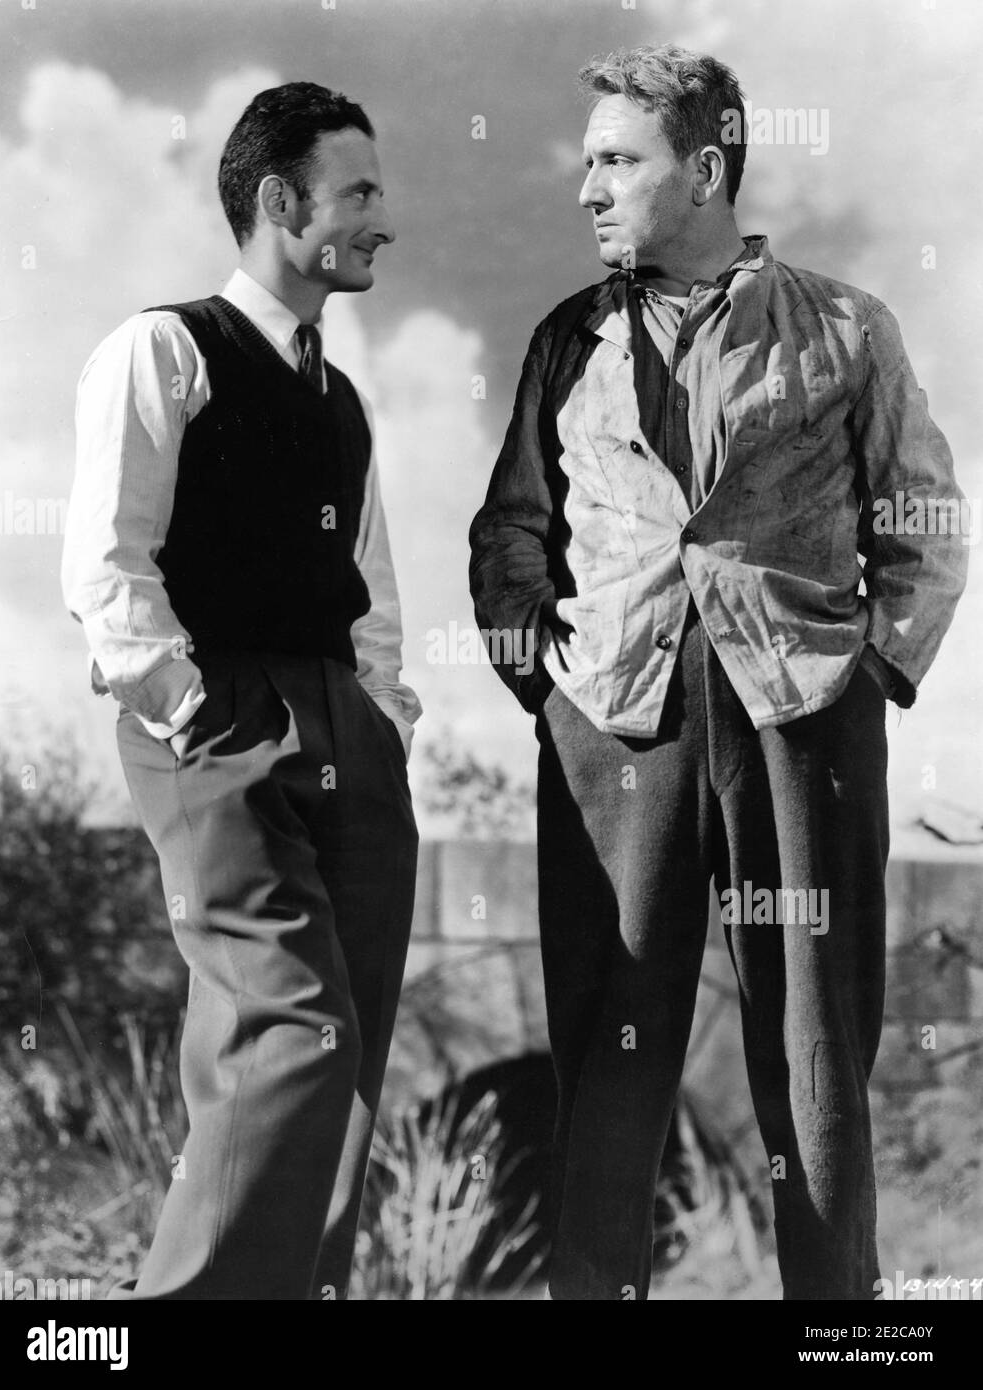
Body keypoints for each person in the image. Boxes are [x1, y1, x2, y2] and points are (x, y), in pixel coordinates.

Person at [468, 43, 967, 1300]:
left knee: (813, 1048)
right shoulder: (563, 339)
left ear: (703, 168)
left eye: (615, 163)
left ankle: (838, 1326)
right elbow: (509, 537)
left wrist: (871, 682)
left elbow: (924, 521)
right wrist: (554, 692)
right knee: (608, 1049)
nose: (586, 188)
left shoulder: (846, 325)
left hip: (799, 723)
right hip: (614, 730)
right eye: (585, 162)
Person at [62, 81, 420, 1300]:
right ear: (282, 200)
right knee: (292, 1033)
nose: (383, 218)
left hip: (342, 730)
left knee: (345, 1047)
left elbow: (370, 592)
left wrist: (381, 724)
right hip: (223, 720)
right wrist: (191, 707)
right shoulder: (163, 349)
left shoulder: (346, 399)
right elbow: (106, 563)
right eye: (359, 191)